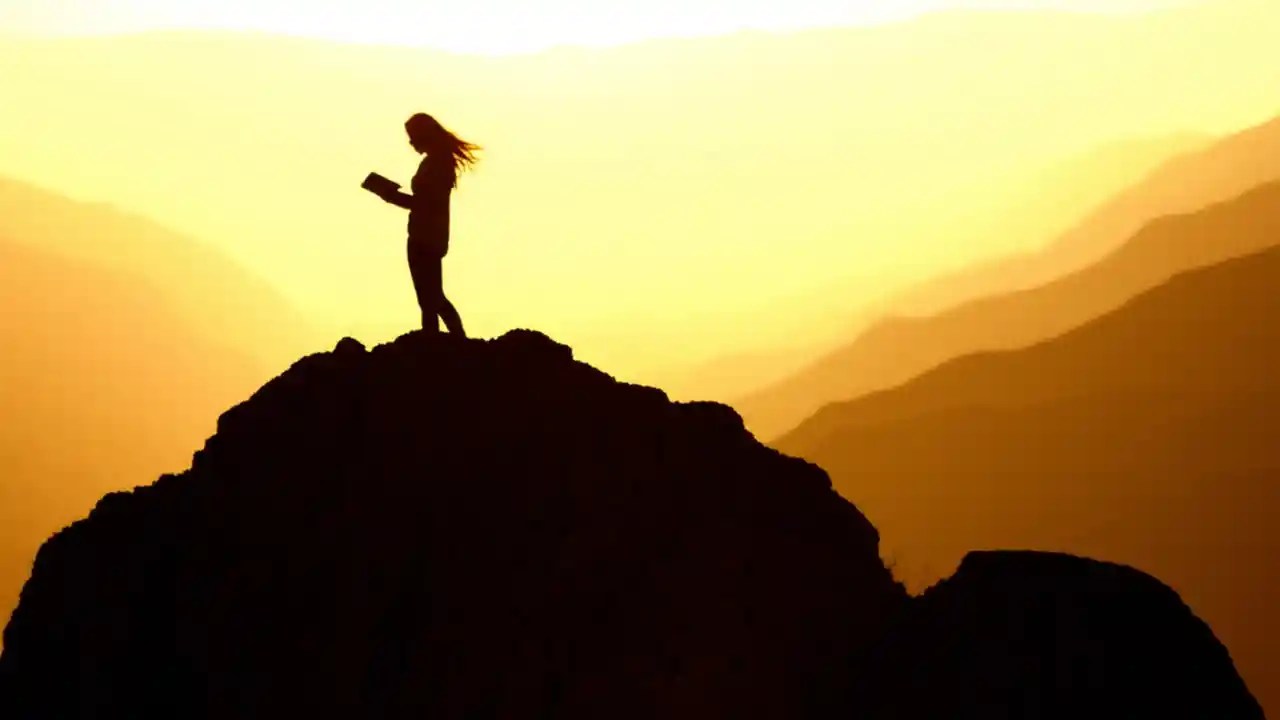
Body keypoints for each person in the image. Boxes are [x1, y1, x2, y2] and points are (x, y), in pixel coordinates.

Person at [374, 112, 480, 335]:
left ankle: (448, 341)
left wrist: (388, 194)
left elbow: (425, 204)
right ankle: (440, 340)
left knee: (431, 297)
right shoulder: (436, 162)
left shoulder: (437, 165)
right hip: (428, 235)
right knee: (429, 297)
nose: (411, 143)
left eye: (413, 137)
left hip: (426, 238)